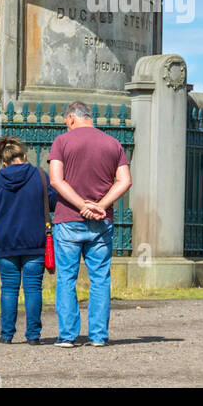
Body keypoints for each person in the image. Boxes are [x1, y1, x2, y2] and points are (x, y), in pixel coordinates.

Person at [48, 101, 132, 348]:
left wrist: (80, 205)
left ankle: (67, 336)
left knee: (66, 278)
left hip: (68, 221)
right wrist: (100, 205)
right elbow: (125, 181)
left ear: (71, 119)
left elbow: (56, 180)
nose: (67, 127)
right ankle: (98, 336)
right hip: (101, 222)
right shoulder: (113, 144)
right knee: (100, 279)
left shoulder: (61, 142)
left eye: (66, 123)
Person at [0, 136, 57, 344]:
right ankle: (33, 335)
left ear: (4, 162)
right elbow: (52, 202)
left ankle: (7, 335)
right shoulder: (40, 176)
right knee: (33, 287)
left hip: (5, 240)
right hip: (34, 240)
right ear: (24, 156)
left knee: (9, 287)